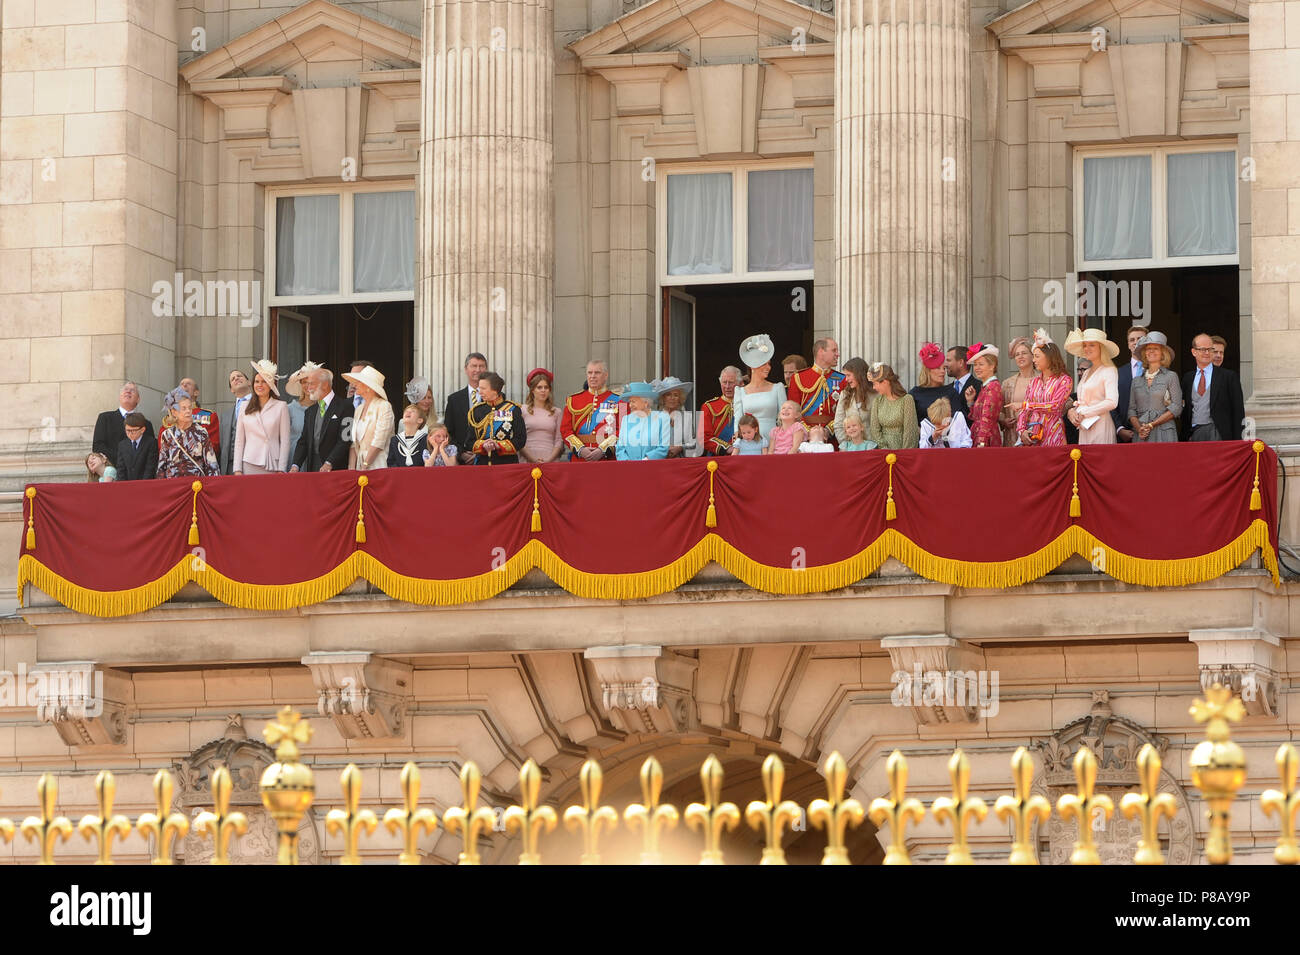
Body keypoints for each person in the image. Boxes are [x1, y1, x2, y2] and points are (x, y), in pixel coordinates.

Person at [1180, 332, 1245, 441]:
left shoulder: (1228, 376)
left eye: (1210, 349)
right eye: (1202, 349)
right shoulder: (1187, 378)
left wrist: (1237, 441)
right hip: (1193, 433)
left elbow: (1238, 411)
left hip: (1219, 433)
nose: (1207, 353)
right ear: (1194, 352)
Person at [231, 360, 291, 474]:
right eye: (257, 381)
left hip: (273, 463)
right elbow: (239, 440)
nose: (260, 385)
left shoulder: (281, 406)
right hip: (249, 462)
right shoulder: (244, 406)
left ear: (270, 385)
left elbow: (285, 440)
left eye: (264, 382)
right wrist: (237, 469)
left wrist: (282, 469)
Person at [1016, 330, 1072, 447]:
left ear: (1049, 357)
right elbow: (1024, 411)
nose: (1033, 360)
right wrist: (1021, 431)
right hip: (1033, 435)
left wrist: (1027, 405)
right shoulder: (1034, 382)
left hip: (1053, 434)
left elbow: (1055, 406)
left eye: (1037, 356)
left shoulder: (1064, 380)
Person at [291, 367, 352, 473]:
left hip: (336, 469)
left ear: (324, 385)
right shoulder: (310, 411)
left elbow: (345, 439)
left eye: (312, 384)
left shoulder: (346, 407)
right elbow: (303, 441)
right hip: (313, 468)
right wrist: (296, 465)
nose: (308, 388)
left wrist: (329, 462)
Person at [1064, 329, 1119, 445]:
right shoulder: (1086, 372)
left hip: (1101, 426)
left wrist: (1084, 412)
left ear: (1101, 348)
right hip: (1084, 427)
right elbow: (1083, 401)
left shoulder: (1109, 370)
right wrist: (1073, 412)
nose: (1086, 348)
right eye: (1085, 345)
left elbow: (1112, 402)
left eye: (1092, 345)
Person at [1127, 331, 1183, 443]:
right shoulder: (1136, 381)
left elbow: (1177, 407)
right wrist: (1139, 429)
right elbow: (1131, 410)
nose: (1151, 351)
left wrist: (1152, 424)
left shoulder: (1171, 376)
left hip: (1164, 433)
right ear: (1144, 353)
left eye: (1156, 348)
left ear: (1163, 353)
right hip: (1142, 434)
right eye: (1148, 349)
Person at [561, 359, 621, 461]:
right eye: (590, 372)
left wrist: (602, 450)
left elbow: (622, 430)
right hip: (580, 458)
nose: (592, 376)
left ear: (606, 375)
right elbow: (565, 430)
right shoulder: (573, 400)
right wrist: (580, 449)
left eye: (597, 372)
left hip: (607, 460)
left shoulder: (619, 400)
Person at [157, 388, 220, 478]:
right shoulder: (167, 435)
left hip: (196, 486)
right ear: (174, 412)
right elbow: (162, 467)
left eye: (189, 408)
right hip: (173, 486)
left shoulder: (201, 433)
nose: (188, 411)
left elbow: (212, 466)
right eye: (183, 408)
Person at [344, 365, 395, 471]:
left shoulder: (384, 406)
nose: (355, 385)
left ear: (368, 387)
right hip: (360, 466)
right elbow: (354, 443)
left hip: (379, 464)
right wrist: (352, 469)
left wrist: (365, 465)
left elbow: (379, 441)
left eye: (359, 382)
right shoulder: (358, 409)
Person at [468, 371, 526, 465]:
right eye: (479, 388)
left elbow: (521, 439)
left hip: (507, 464)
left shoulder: (512, 409)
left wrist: (498, 445)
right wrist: (483, 445)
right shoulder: (477, 411)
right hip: (483, 464)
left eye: (483, 388)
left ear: (494, 390)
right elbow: (469, 442)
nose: (479, 391)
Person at [787, 338, 844, 431]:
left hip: (833, 437)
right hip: (804, 437)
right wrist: (808, 431)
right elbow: (793, 411)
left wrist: (828, 430)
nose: (838, 354)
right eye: (834, 350)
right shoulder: (798, 378)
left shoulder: (842, 379)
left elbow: (845, 412)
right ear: (821, 352)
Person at [93, 381, 154, 467]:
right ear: (120, 396)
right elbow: (98, 447)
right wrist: (122, 461)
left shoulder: (146, 424)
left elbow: (150, 451)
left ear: (138, 399)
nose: (128, 391)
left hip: (138, 475)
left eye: (132, 390)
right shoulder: (105, 418)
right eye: (125, 389)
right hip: (112, 471)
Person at [734, 334, 782, 441]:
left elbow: (783, 419)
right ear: (752, 365)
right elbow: (738, 421)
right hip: (749, 441)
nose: (768, 367)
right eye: (764, 364)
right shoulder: (740, 391)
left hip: (773, 440)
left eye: (769, 364)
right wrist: (739, 441)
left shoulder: (778, 388)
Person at [445, 352, 488, 464]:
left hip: (488, 458)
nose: (478, 370)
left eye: (481, 366)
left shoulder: (496, 397)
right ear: (466, 369)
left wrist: (482, 452)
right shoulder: (454, 399)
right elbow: (448, 432)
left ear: (486, 369)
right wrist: (460, 453)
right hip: (461, 460)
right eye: (474, 366)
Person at [867, 363, 920, 450]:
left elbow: (910, 432)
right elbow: (875, 431)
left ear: (885, 382)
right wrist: (885, 450)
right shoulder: (877, 401)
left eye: (875, 384)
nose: (873, 387)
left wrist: (904, 455)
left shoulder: (907, 400)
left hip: (903, 454)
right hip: (883, 454)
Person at [616, 381, 670, 461]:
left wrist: (645, 461)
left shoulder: (662, 418)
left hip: (652, 468)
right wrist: (627, 463)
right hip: (628, 469)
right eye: (629, 402)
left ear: (646, 402)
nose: (630, 405)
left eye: (633, 401)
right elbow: (620, 448)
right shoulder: (626, 420)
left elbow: (663, 448)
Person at [520, 368, 564, 464]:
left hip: (550, 458)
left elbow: (559, 440)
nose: (543, 390)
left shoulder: (557, 412)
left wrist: (549, 460)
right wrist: (533, 460)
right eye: (539, 387)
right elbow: (519, 439)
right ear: (532, 390)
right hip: (527, 458)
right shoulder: (522, 410)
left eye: (546, 387)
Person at [1112, 325, 1147, 443]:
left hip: (1152, 431)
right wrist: (1119, 429)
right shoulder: (1118, 372)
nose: (1135, 342)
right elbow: (1112, 403)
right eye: (1132, 340)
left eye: (1140, 339)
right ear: (1128, 344)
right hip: (1126, 434)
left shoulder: (1158, 370)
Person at [965, 343, 1003, 447]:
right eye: (975, 365)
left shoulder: (993, 387)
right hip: (980, 436)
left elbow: (987, 418)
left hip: (986, 439)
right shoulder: (987, 387)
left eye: (981, 364)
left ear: (992, 366)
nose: (977, 368)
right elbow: (977, 416)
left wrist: (981, 443)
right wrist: (970, 401)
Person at [284, 362, 320, 471]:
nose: (308, 385)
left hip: (316, 462)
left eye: (311, 382)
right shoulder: (289, 409)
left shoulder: (322, 408)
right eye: (304, 382)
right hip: (294, 462)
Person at [1000, 337, 1035, 447]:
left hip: (1036, 432)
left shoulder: (1043, 379)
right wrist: (1004, 420)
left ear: (1033, 355)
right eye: (1017, 354)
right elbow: (1000, 410)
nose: (1020, 356)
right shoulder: (1007, 383)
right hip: (1013, 435)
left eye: (1024, 353)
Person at [699, 366, 741, 456]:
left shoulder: (748, 404)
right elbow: (703, 437)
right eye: (724, 382)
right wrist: (727, 448)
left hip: (745, 454)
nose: (727, 386)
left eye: (731, 382)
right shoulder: (708, 407)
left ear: (739, 383)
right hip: (719, 458)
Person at [179, 377, 221, 465]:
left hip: (199, 465)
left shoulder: (209, 416)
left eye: (188, 384)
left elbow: (213, 445)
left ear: (196, 392)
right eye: (182, 384)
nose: (184, 385)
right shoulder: (171, 417)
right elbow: (163, 446)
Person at [833, 357, 873, 445]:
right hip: (850, 449)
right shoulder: (844, 394)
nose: (846, 379)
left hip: (871, 447)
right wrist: (847, 445)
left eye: (848, 375)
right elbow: (838, 425)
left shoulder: (875, 395)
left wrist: (872, 445)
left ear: (859, 374)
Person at [654, 377, 695, 457]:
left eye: (676, 395)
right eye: (668, 395)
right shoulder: (654, 418)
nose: (672, 398)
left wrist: (680, 448)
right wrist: (664, 449)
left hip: (681, 463)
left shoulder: (687, 418)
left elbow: (694, 443)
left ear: (680, 398)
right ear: (663, 398)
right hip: (659, 462)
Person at [910, 343, 951, 422]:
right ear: (928, 371)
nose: (943, 371)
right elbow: (910, 422)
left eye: (944, 368)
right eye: (938, 368)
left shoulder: (950, 392)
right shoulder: (914, 394)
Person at [224, 368, 253, 473]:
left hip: (254, 462)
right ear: (232, 389)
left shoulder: (261, 405)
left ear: (249, 382)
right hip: (230, 467)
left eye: (239, 376)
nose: (236, 378)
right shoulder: (225, 416)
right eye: (232, 379)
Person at [115, 412, 156, 481]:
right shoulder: (122, 445)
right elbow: (121, 468)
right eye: (128, 430)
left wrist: (143, 484)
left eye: (133, 431)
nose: (130, 434)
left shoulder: (151, 443)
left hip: (145, 483)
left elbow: (150, 467)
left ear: (142, 430)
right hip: (127, 485)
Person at [945, 346, 973, 416]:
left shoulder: (979, 387)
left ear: (961, 362)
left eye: (949, 360)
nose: (945, 365)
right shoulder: (946, 390)